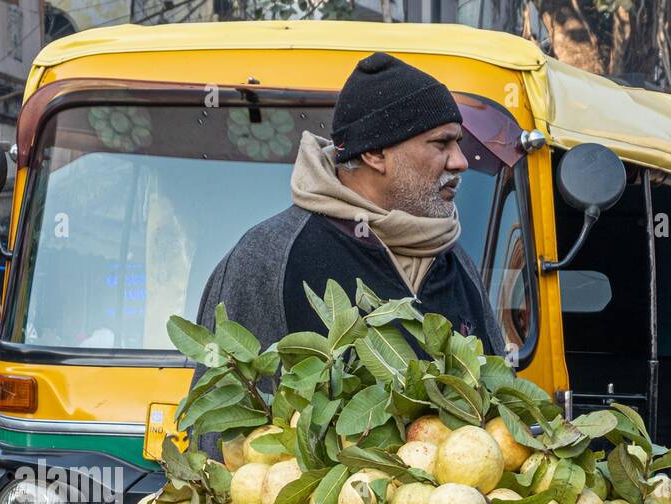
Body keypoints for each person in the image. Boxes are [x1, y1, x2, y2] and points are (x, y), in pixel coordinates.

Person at [193, 52, 503, 364]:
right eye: (441, 143)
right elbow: (222, 401)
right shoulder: (267, 259)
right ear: (375, 153)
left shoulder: (456, 260)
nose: (461, 162)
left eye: (458, 143)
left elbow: (496, 396)